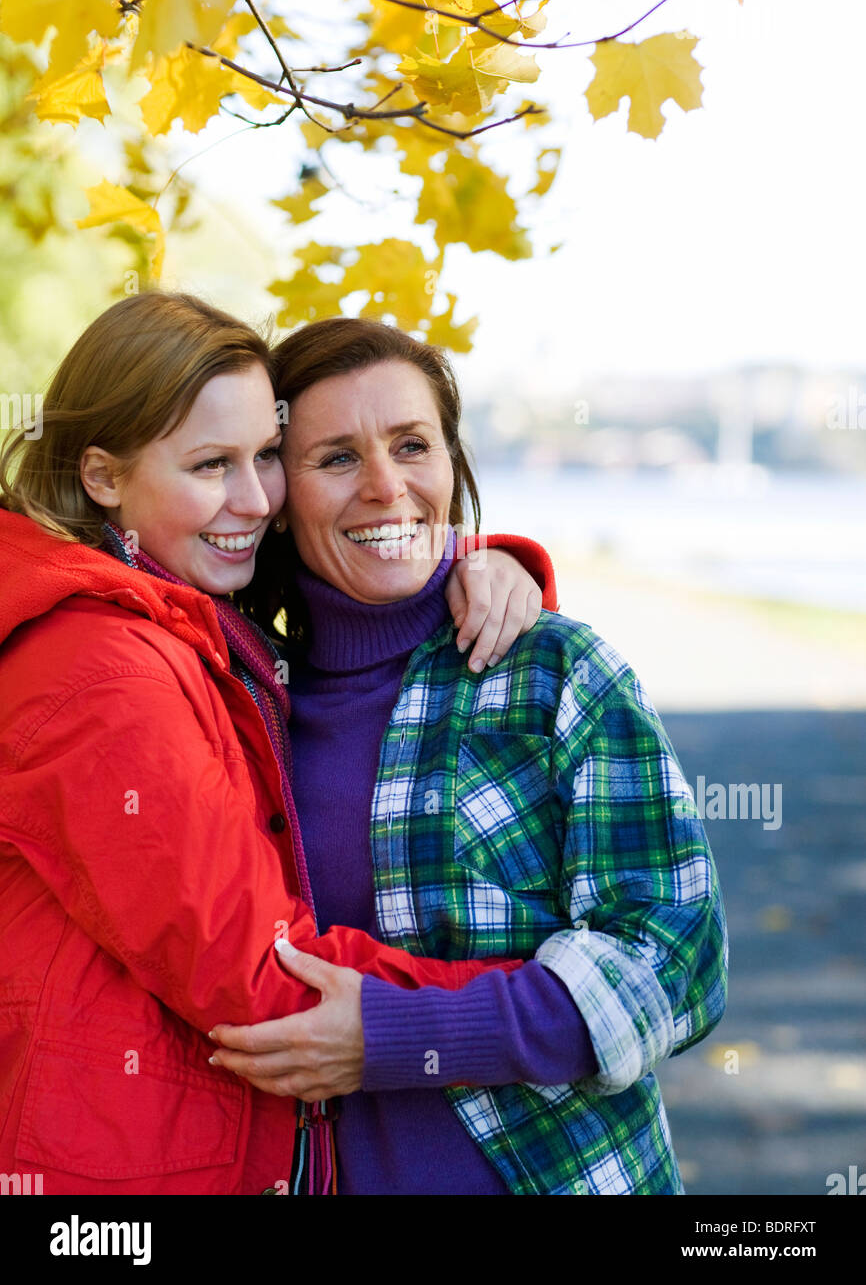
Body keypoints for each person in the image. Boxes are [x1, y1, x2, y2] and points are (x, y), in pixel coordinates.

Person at [0, 292, 558, 1195]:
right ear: (103, 476)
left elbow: (364, 582)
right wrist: (539, 1008)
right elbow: (261, 975)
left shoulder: (175, 612)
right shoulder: (103, 667)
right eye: (211, 464)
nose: (255, 500)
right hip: (118, 1176)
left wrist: (490, 568)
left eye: (265, 456)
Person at [208, 317, 729, 1196]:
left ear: (452, 462)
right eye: (335, 458)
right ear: (275, 494)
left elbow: (673, 967)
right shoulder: (238, 703)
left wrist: (395, 1040)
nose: (386, 486)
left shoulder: (554, 671)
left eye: (412, 445)